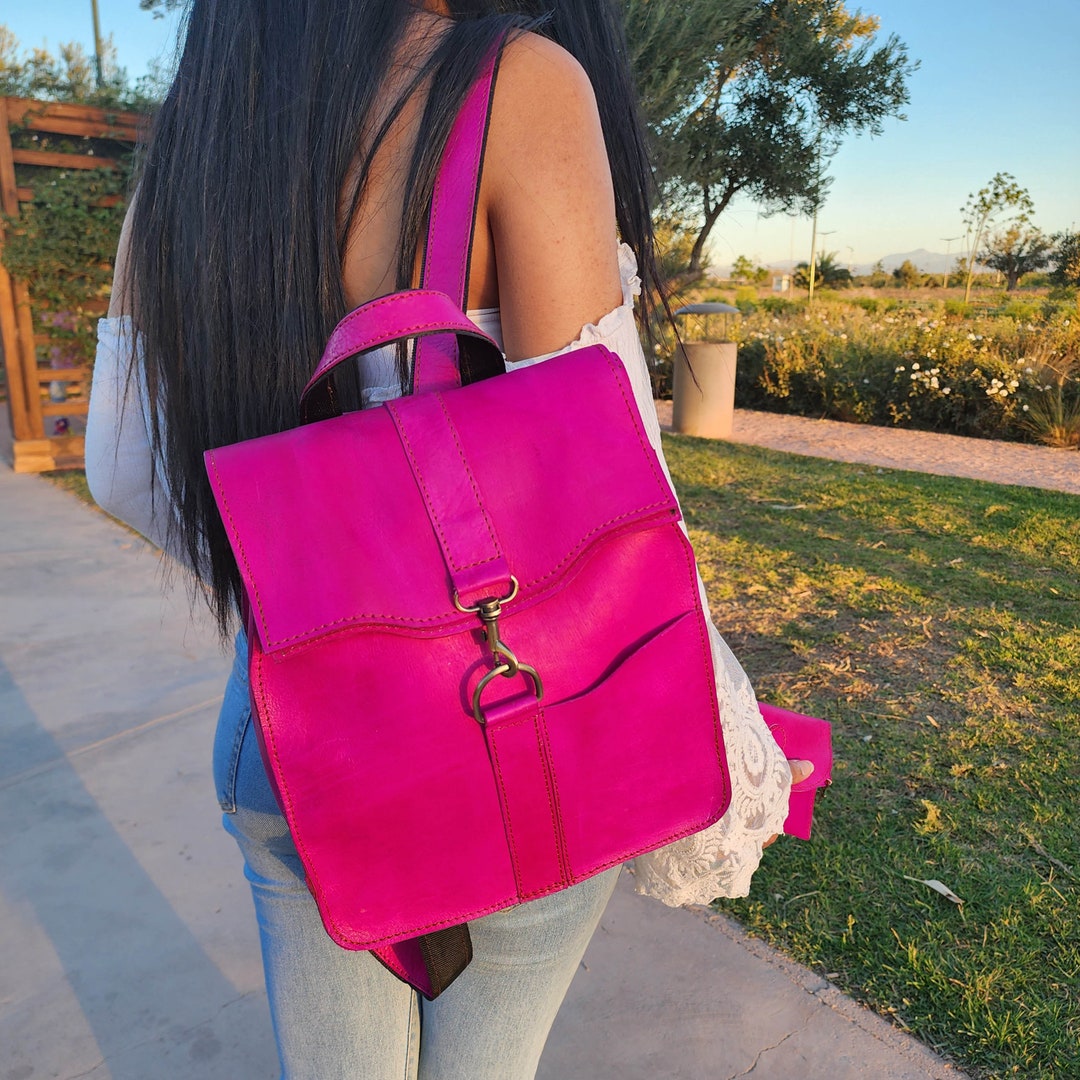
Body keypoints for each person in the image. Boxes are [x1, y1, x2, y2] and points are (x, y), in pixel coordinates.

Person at [86, 1, 808, 1076]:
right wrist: (733, 740)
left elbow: (127, 466)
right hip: (512, 719)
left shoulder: (203, 126)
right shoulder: (518, 83)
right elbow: (614, 491)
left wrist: (328, 595)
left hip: (294, 733)